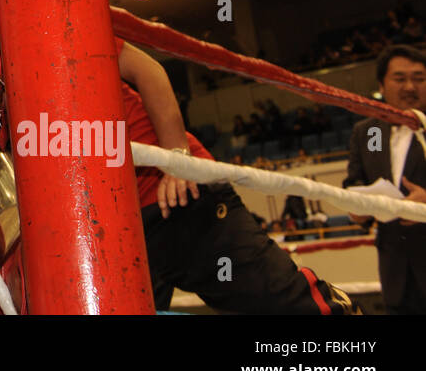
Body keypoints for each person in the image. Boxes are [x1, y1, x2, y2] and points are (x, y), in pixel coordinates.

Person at [116, 38, 358, 314]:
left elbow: (147, 69)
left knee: (285, 307)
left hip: (178, 195)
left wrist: (176, 160)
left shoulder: (64, 23)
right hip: (117, 223)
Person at [343, 44, 426, 314]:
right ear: (382, 83)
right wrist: (356, 208)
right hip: (395, 274)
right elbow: (354, 185)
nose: (410, 87)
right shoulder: (366, 132)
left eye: (420, 78)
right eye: (400, 79)